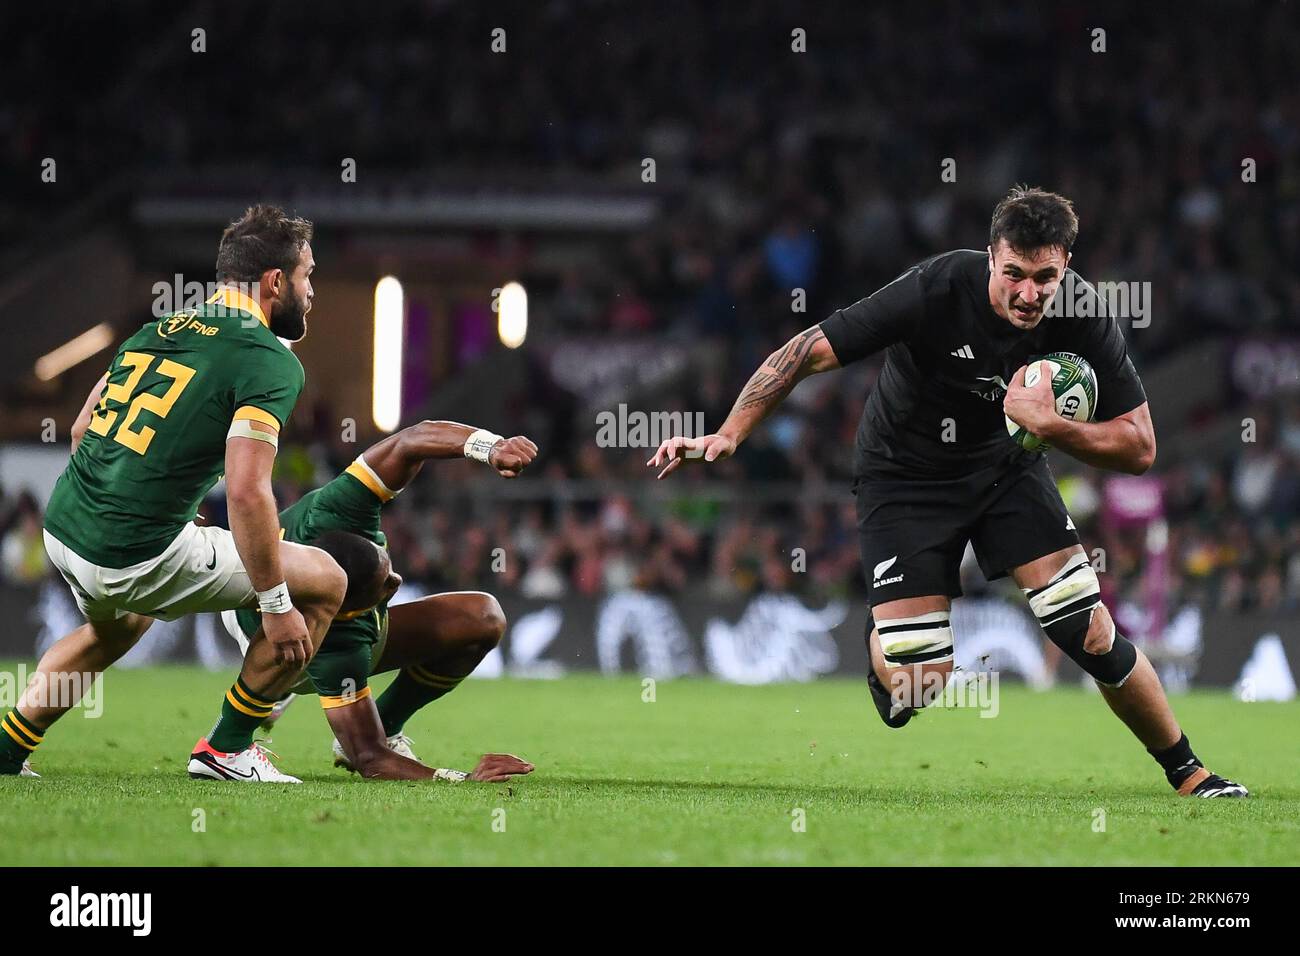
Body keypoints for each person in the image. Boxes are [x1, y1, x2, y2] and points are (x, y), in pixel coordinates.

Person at [648, 185, 1247, 799]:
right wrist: (729, 433)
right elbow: (805, 352)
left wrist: (1053, 429)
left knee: (1087, 629)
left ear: (1065, 265)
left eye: (1044, 277)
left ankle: (1189, 773)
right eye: (1013, 273)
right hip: (903, 476)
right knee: (921, 682)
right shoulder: (935, 288)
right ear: (991, 257)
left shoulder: (1085, 315)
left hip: (1005, 469)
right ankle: (888, 644)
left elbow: (1141, 447)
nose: (1027, 293)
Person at [1, 206, 346, 783]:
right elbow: (245, 491)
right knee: (326, 580)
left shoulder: (156, 329)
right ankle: (226, 749)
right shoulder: (268, 359)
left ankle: (8, 748)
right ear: (275, 281)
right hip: (129, 553)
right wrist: (277, 605)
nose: (313, 292)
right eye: (308, 275)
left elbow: (84, 429)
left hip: (64, 529)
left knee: (118, 627)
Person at [210, 420, 538, 783]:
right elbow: (371, 759)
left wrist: (490, 447)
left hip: (277, 583)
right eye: (384, 586)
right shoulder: (336, 647)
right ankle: (276, 687)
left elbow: (411, 439)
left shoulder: (342, 508)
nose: (397, 582)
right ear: (346, 610)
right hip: (278, 631)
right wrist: (461, 778)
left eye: (388, 568)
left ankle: (386, 723)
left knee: (482, 617)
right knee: (335, 703)